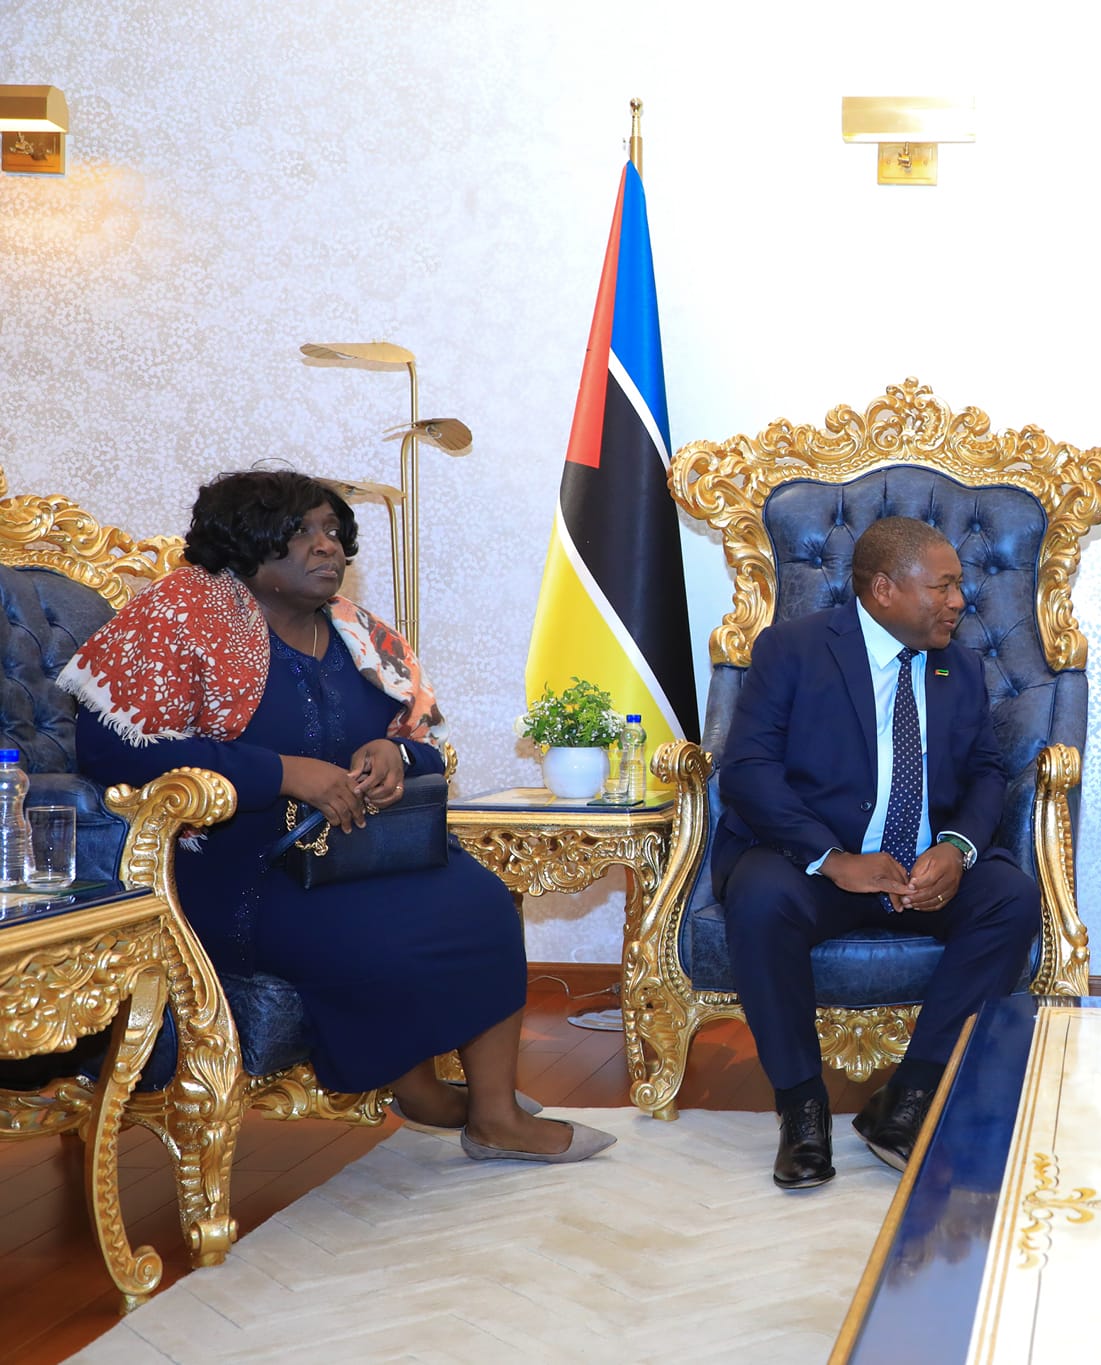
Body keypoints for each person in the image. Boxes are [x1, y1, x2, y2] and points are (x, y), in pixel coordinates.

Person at [63, 470, 612, 1162]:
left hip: (363, 851)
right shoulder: (183, 614)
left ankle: (495, 1116)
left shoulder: (359, 634)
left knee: (483, 900)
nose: (327, 547)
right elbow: (113, 747)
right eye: (300, 532)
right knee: (380, 936)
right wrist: (283, 772)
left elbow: (424, 746)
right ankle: (419, 1088)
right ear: (244, 543)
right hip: (243, 870)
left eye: (332, 531)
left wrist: (394, 754)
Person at [714, 516, 1041, 1189]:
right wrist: (833, 859)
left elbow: (985, 771)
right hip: (820, 867)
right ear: (885, 589)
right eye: (943, 586)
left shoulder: (959, 664)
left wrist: (956, 848)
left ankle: (911, 1099)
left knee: (1010, 897)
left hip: (923, 872)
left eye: (959, 585)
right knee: (759, 894)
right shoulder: (793, 649)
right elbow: (747, 770)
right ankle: (802, 1110)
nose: (958, 601)